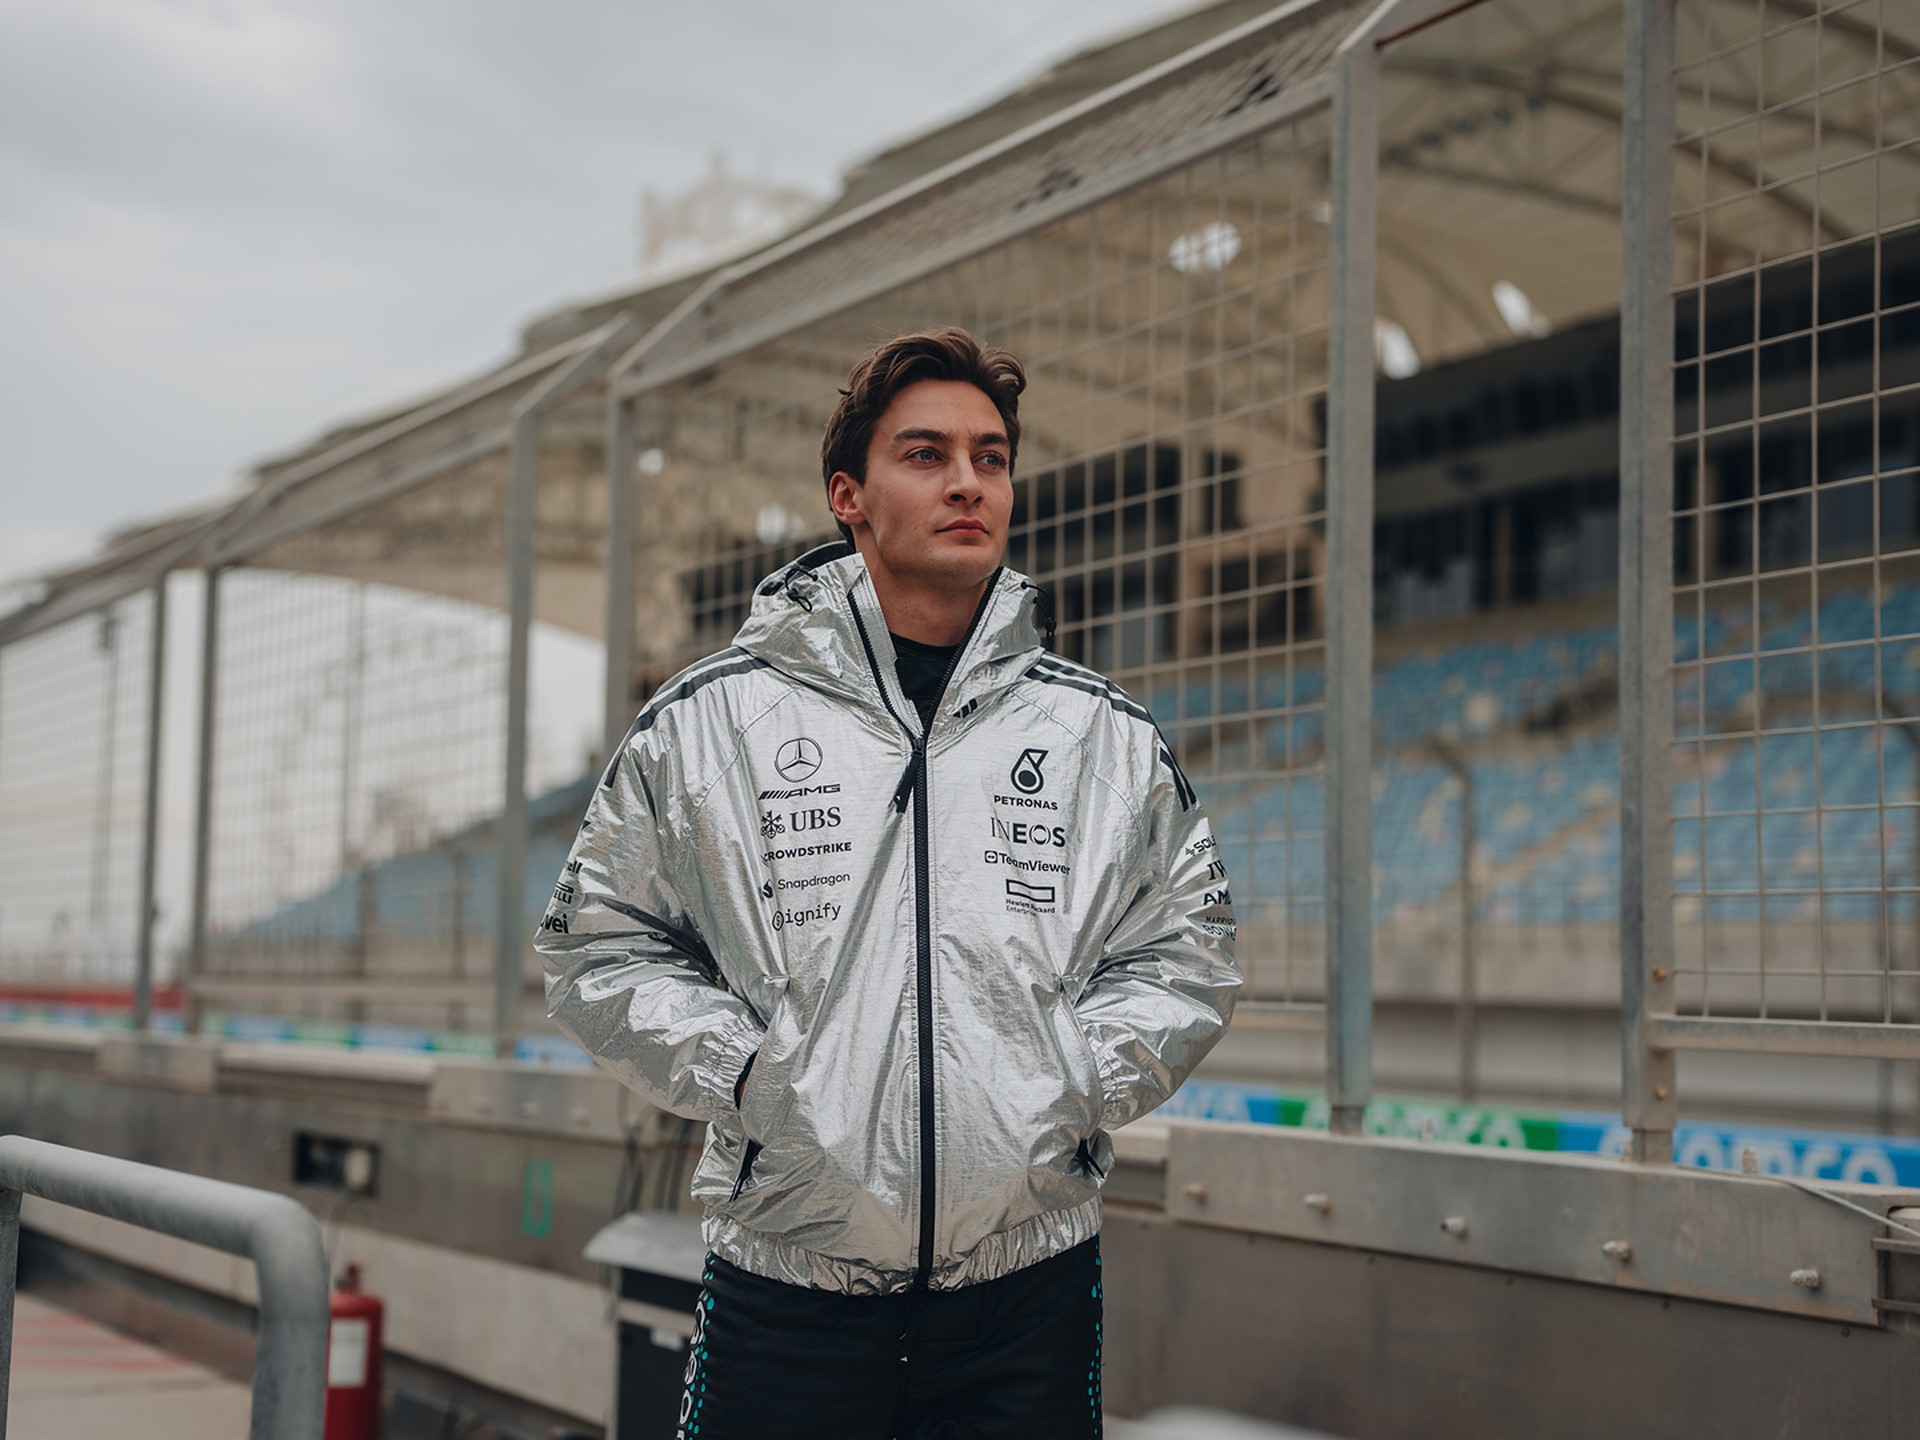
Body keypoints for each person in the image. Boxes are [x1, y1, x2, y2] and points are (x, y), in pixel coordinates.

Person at [536, 327, 1239, 1438]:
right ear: (848, 497)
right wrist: (758, 1075)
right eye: (926, 454)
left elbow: (1185, 952)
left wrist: (1064, 1080)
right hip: (787, 1291)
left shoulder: (1099, 734)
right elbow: (595, 945)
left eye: (992, 457)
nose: (969, 482)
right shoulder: (711, 723)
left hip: (1029, 1294)